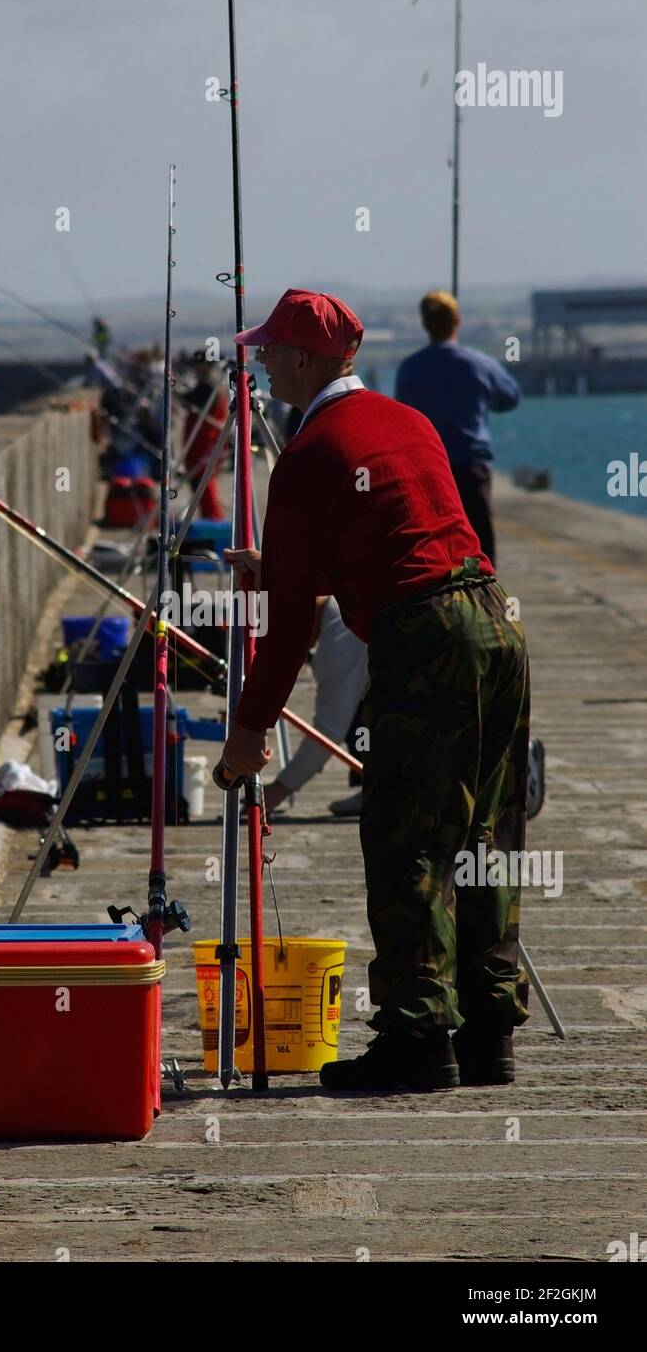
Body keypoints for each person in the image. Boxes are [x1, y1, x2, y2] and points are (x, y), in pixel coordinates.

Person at [220, 287, 530, 1092]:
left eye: (265, 351)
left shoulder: (308, 453)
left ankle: (418, 1040)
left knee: (405, 839)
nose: (257, 362)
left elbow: (289, 630)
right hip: (494, 622)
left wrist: (248, 733)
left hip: (424, 639)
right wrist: (287, 570)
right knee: (485, 834)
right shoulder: (405, 421)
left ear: (299, 359)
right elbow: (402, 536)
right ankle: (490, 1032)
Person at [395, 290, 520, 567]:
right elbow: (510, 397)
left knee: (435, 545)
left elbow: (402, 415)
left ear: (425, 324)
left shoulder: (410, 368)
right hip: (471, 467)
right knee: (479, 544)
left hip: (428, 469)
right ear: (457, 321)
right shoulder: (479, 364)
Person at [263, 596, 368, 814]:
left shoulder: (340, 632)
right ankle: (376, 789)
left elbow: (329, 730)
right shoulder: (342, 605)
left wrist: (277, 790)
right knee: (362, 711)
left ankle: (388, 792)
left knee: (354, 714)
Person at [181, 355, 229, 521]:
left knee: (205, 487)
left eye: (198, 365)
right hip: (200, 443)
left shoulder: (210, 387)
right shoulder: (211, 386)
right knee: (201, 488)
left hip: (204, 444)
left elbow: (195, 402)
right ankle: (211, 521)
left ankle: (215, 523)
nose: (195, 369)